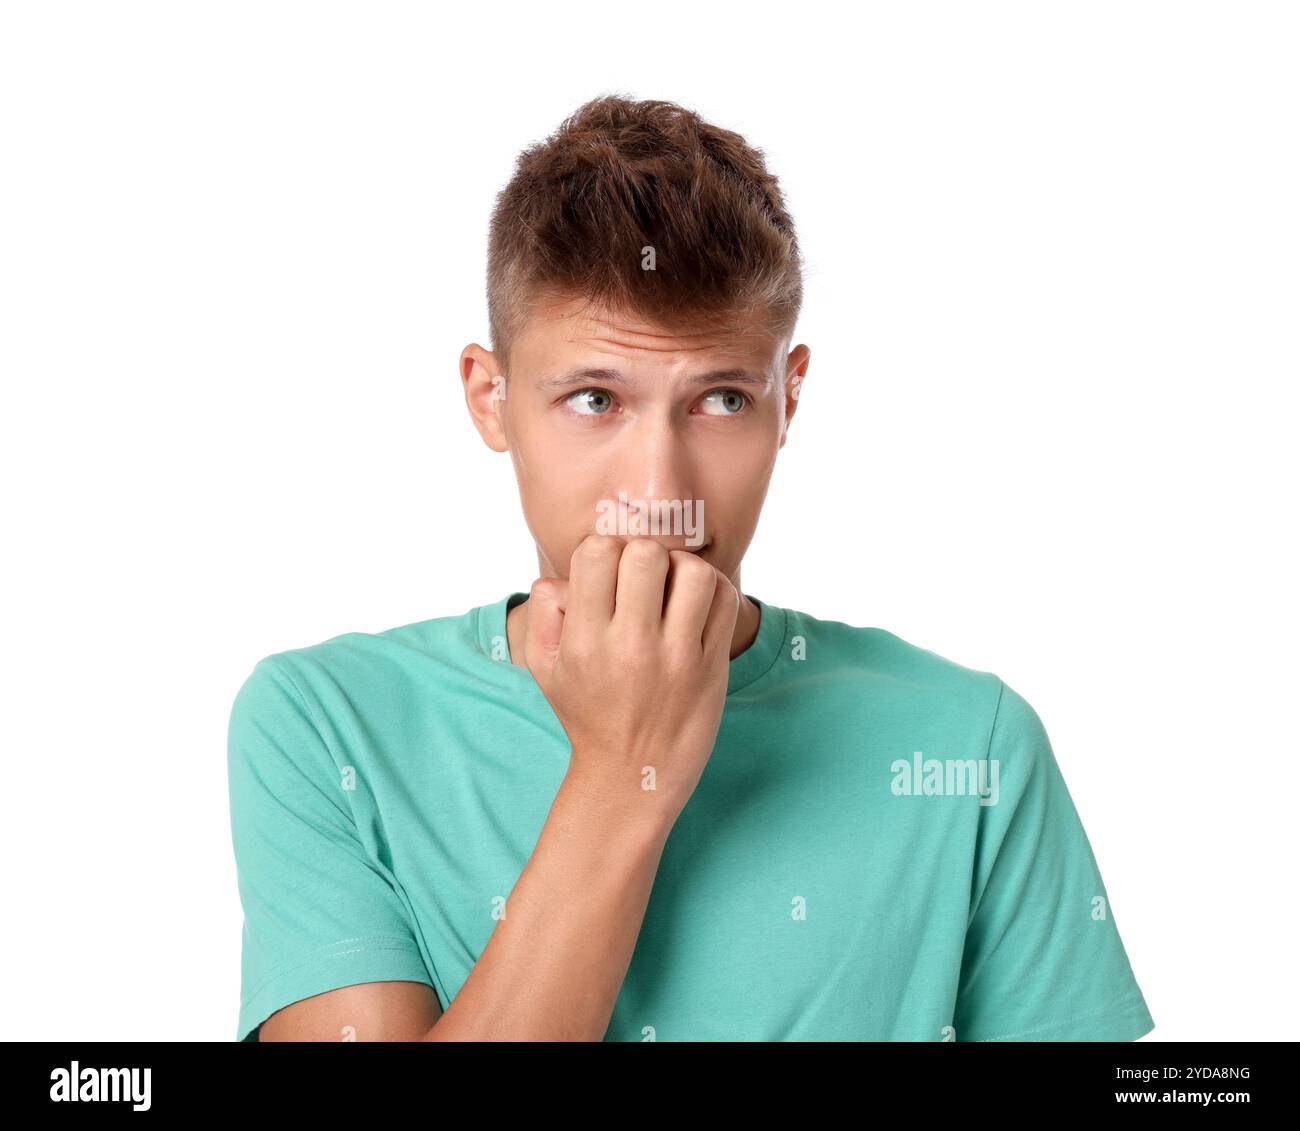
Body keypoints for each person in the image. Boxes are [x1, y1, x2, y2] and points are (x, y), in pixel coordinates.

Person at [228, 93, 1154, 1042]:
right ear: (489, 397)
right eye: (595, 397)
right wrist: (625, 768)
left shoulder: (971, 745)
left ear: (787, 402)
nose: (658, 484)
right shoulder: (326, 727)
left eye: (718, 400)